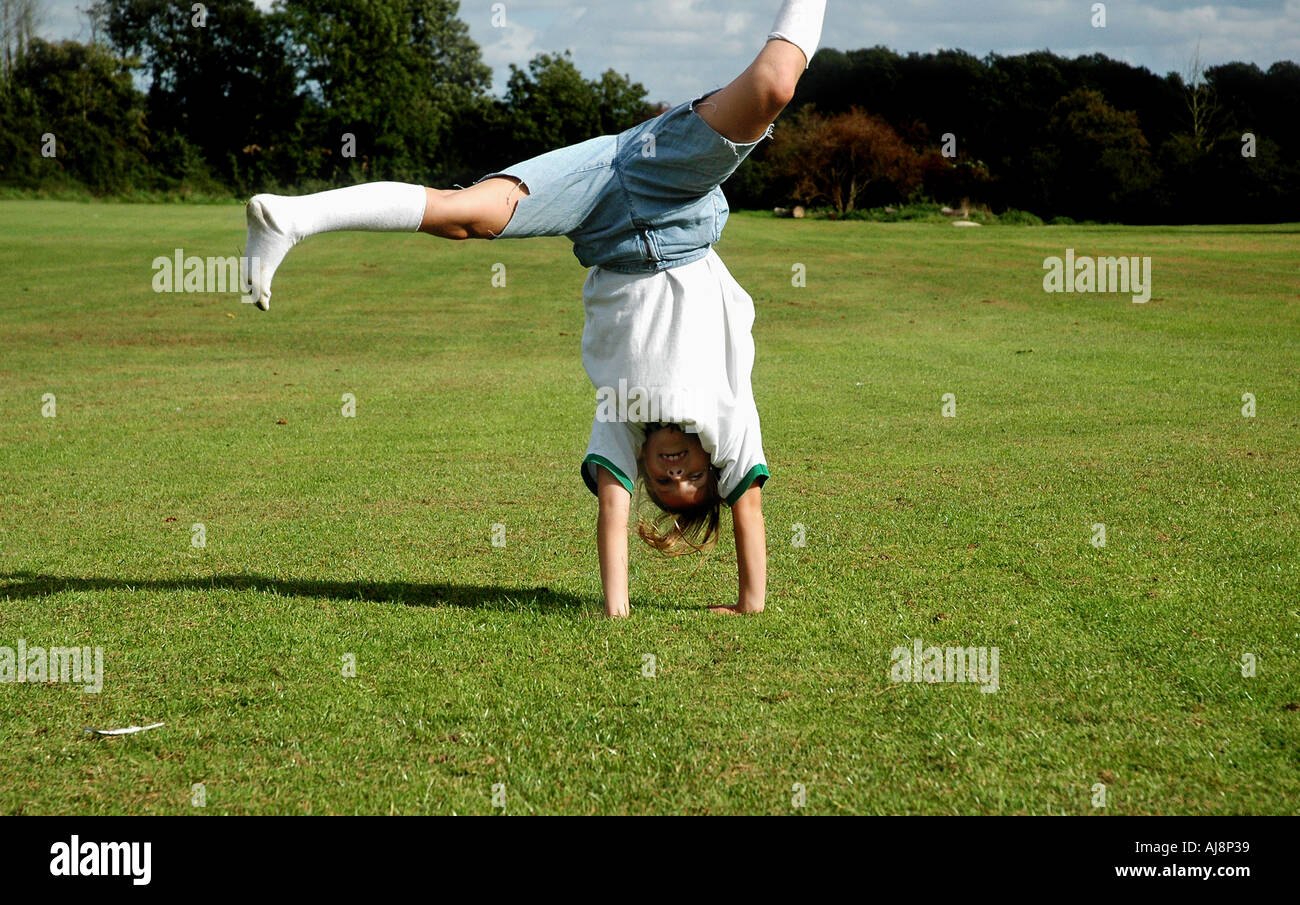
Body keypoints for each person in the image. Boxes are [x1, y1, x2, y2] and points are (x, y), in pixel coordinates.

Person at [242, 0, 827, 617]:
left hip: (600, 210)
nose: (676, 474)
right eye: (693, 482)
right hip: (672, 193)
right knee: (772, 88)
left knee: (468, 216)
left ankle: (293, 216)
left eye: (663, 484)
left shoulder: (621, 422)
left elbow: (611, 508)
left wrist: (616, 610)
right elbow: (751, 508)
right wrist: (750, 604)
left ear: (645, 472)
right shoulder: (728, 421)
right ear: (715, 468)